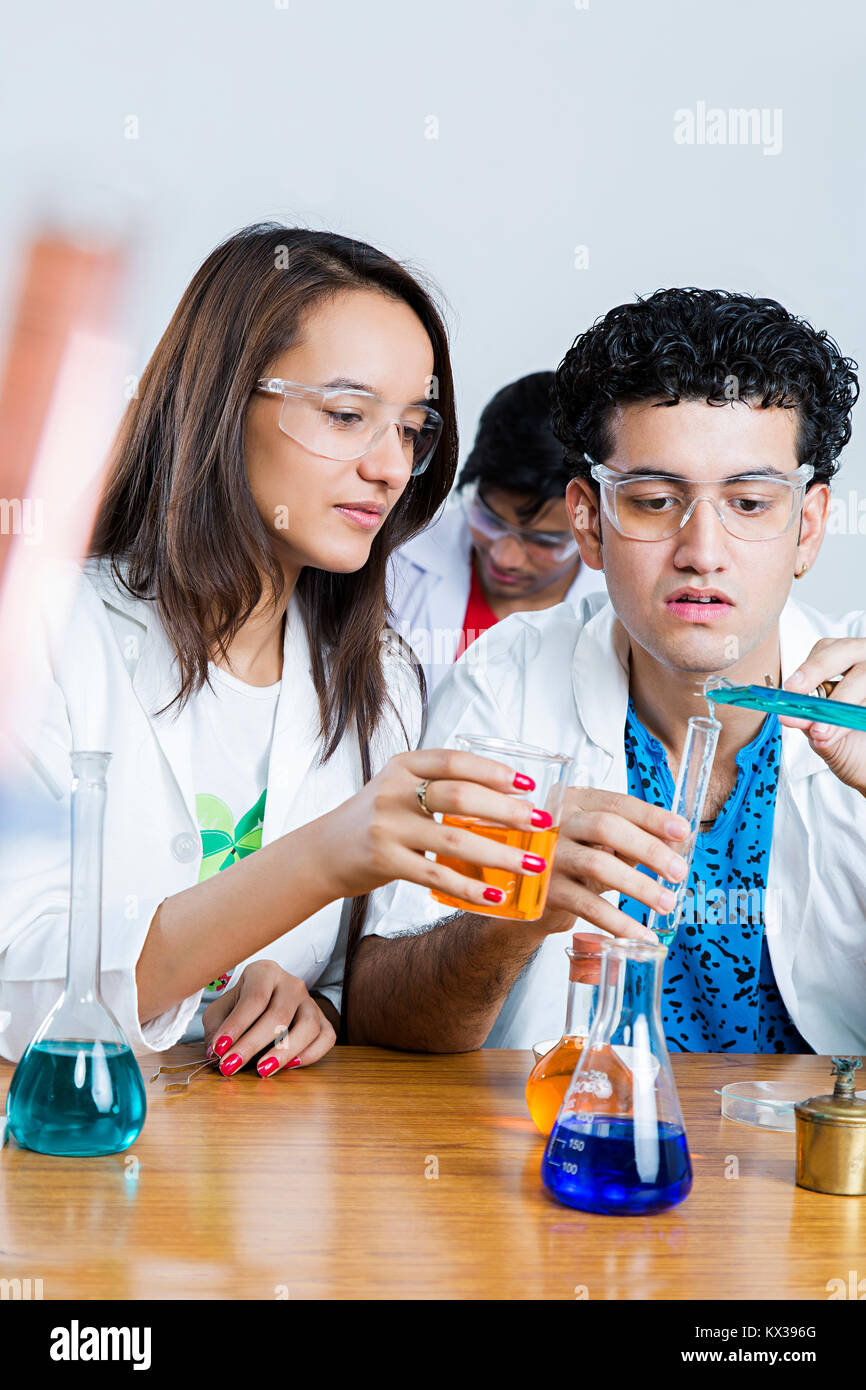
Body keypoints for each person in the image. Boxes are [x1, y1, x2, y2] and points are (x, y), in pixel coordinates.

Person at [0, 224, 556, 1074]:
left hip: (254, 1176)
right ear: (221, 400)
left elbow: (346, 976)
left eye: (412, 429)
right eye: (345, 415)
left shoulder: (381, 679)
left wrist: (310, 1004)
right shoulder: (43, 634)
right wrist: (323, 856)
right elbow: (20, 994)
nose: (390, 467)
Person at [347, 287, 866, 1055]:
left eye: (751, 504)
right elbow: (381, 1015)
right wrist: (514, 908)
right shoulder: (503, 685)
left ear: (809, 527)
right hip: (572, 1159)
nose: (703, 550)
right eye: (656, 500)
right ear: (589, 520)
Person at [388, 371, 605, 694]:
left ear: (593, 521)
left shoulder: (616, 611)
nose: (505, 558)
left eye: (542, 540)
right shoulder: (398, 560)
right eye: (490, 520)